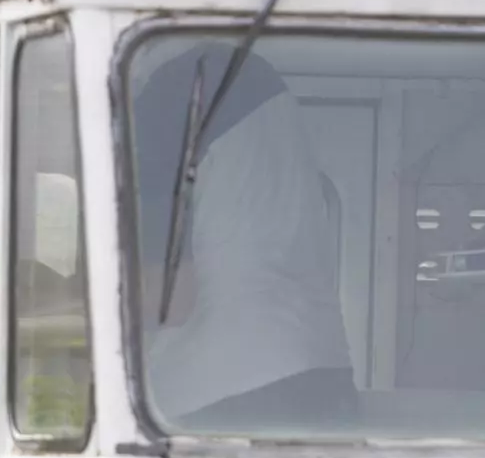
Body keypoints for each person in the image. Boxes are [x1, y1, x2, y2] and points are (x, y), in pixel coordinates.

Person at [130, 42, 353, 431]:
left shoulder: (165, 97)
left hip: (228, 391)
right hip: (323, 374)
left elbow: (168, 297)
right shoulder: (253, 71)